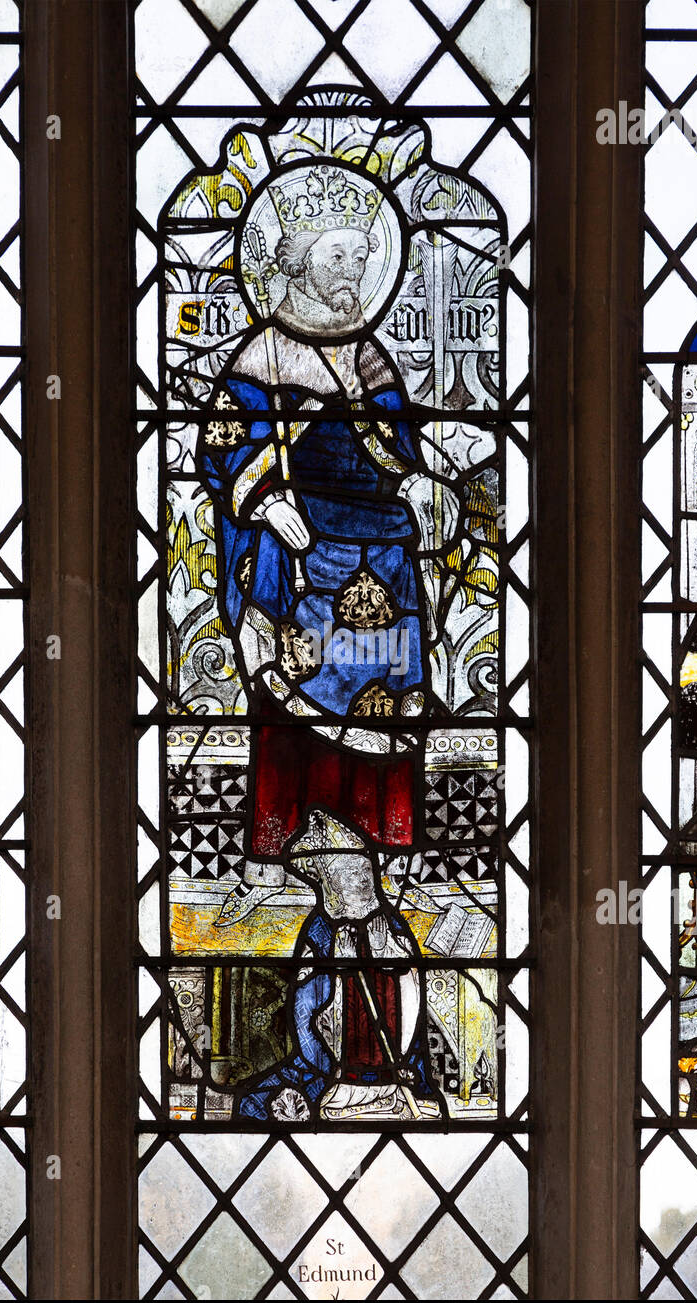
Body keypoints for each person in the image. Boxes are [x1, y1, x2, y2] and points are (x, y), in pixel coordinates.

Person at [197, 162, 456, 922]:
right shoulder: (261, 359)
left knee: (388, 695)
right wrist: (264, 496)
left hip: (381, 545)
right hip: (299, 542)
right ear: (299, 261)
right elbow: (221, 448)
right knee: (287, 695)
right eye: (340, 255)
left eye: (362, 256)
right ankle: (275, 853)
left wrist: (413, 480)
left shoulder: (368, 357)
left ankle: (390, 851)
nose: (358, 269)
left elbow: (391, 444)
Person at [233, 809, 442, 1122]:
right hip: (339, 1059)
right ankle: (341, 1086)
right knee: (256, 1104)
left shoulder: (390, 920)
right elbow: (304, 999)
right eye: (351, 874)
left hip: (392, 1053)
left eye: (365, 871)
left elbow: (411, 980)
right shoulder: (319, 927)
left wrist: (387, 953)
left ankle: (388, 1085)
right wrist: (336, 965)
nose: (361, 880)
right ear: (334, 886)